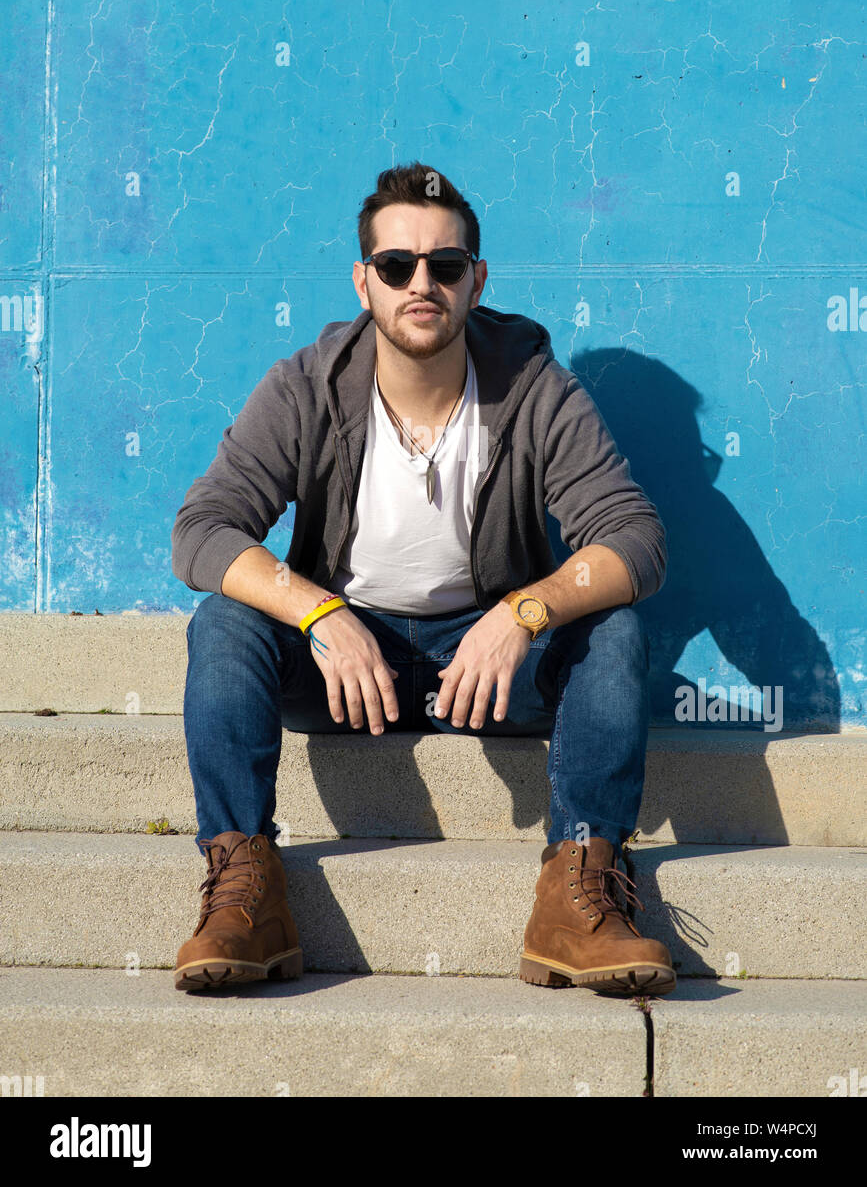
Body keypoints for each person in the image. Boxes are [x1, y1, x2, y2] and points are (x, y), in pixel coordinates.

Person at [170, 161, 675, 997]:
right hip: (341, 665)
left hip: (484, 665)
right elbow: (203, 531)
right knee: (223, 625)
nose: (421, 284)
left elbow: (635, 538)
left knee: (611, 630)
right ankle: (242, 890)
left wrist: (523, 610)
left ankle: (579, 893)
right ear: (363, 281)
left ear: (475, 281)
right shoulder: (305, 386)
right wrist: (320, 611)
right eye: (397, 265)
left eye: (444, 266)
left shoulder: (532, 388)